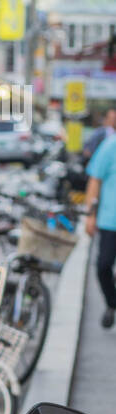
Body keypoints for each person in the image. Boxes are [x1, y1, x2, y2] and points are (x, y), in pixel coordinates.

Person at [85, 129, 116, 327]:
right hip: (109, 220)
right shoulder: (110, 145)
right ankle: (112, 302)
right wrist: (90, 214)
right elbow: (95, 180)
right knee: (103, 266)